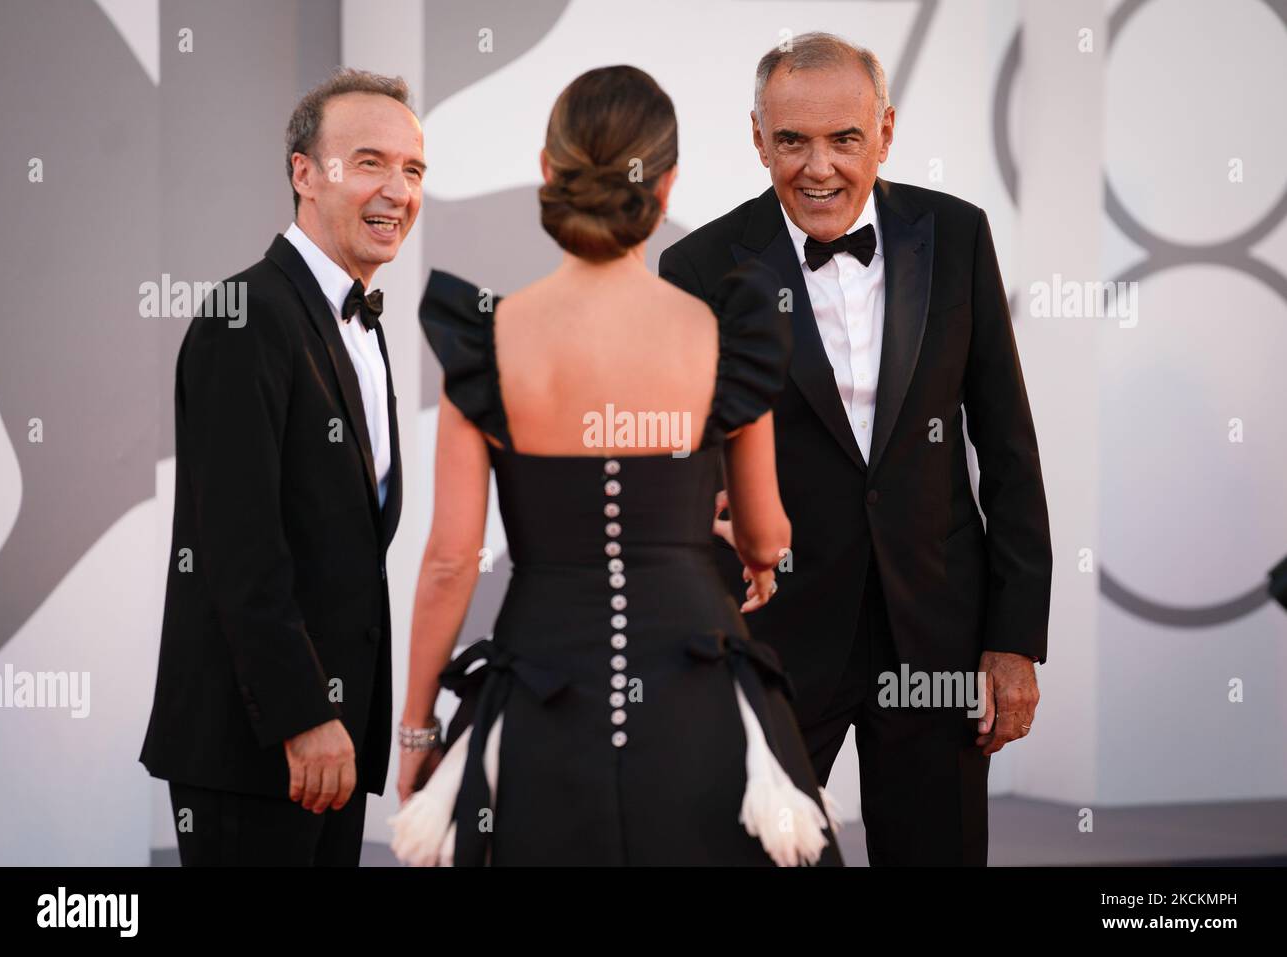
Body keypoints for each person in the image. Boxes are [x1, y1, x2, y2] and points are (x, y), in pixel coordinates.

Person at [389, 65, 841, 866]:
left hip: (541, 697)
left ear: (547, 171)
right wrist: (727, 532)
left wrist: (420, 727)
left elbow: (451, 560)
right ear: (666, 186)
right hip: (697, 693)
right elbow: (767, 535)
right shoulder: (723, 332)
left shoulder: (488, 339)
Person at [659, 32, 1053, 865]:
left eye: (844, 139)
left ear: (885, 131)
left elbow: (1008, 444)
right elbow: (682, 476)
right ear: (758, 138)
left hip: (937, 627)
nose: (819, 167)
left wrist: (1014, 639)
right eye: (793, 140)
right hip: (774, 635)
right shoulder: (697, 267)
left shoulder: (956, 235)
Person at [139, 68, 423, 865]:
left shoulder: (356, 323)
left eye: (412, 169)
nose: (396, 190)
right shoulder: (249, 315)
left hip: (331, 746)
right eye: (369, 162)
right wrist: (304, 715)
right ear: (304, 173)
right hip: (259, 746)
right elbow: (238, 543)